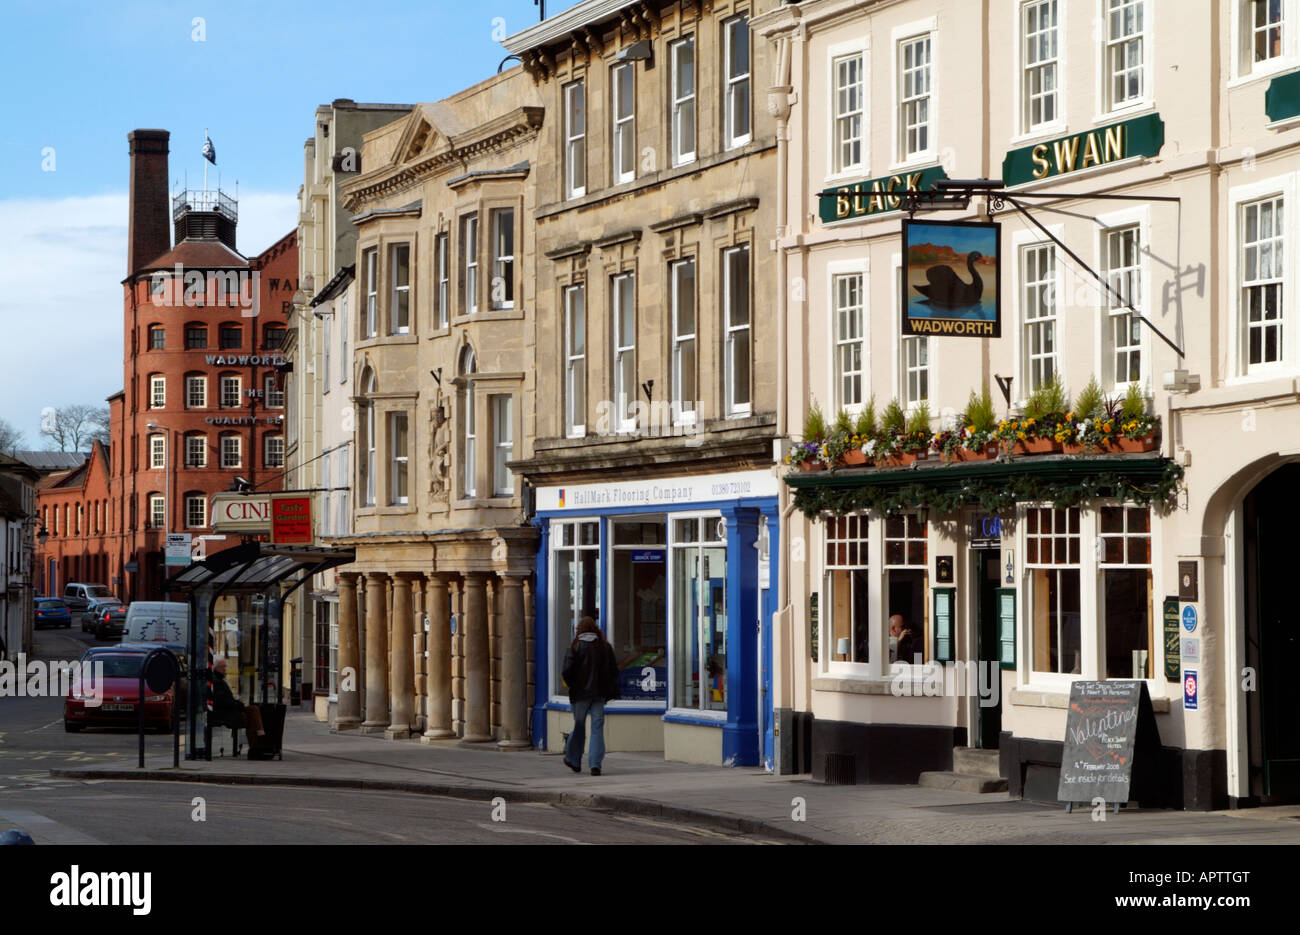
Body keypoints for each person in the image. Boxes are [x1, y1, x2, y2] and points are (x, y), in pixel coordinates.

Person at [561, 617, 620, 775]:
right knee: (597, 728)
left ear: (579, 630)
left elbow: (566, 671)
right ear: (595, 629)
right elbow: (614, 670)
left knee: (579, 726)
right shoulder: (605, 647)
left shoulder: (575, 647)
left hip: (580, 694)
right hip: (599, 694)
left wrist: (573, 684)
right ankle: (595, 764)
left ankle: (573, 758)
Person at [211, 657, 267, 757]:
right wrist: (238, 704)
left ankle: (257, 742)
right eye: (222, 667)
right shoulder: (216, 681)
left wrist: (237, 703)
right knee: (250, 717)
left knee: (253, 710)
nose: (225, 669)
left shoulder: (220, 680)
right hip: (224, 713)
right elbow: (222, 701)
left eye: (225, 667)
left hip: (230, 710)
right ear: (216, 668)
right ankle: (258, 741)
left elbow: (227, 699)